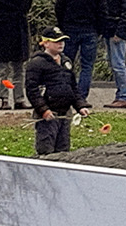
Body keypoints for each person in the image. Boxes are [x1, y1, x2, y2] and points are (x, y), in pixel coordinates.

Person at [25, 27, 92, 156]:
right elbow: (32, 90)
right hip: (48, 114)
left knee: (64, 149)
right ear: (45, 43)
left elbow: (73, 87)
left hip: (65, 114)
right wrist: (43, 110)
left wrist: (80, 105)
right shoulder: (36, 63)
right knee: (46, 150)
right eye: (56, 41)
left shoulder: (66, 61)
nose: (60, 43)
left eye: (62, 41)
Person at [55, 0, 109, 103]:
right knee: (87, 66)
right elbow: (102, 14)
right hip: (89, 31)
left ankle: (64, 94)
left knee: (66, 63)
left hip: (69, 29)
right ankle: (81, 97)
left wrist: (62, 26)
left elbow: (59, 7)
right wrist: (99, 31)